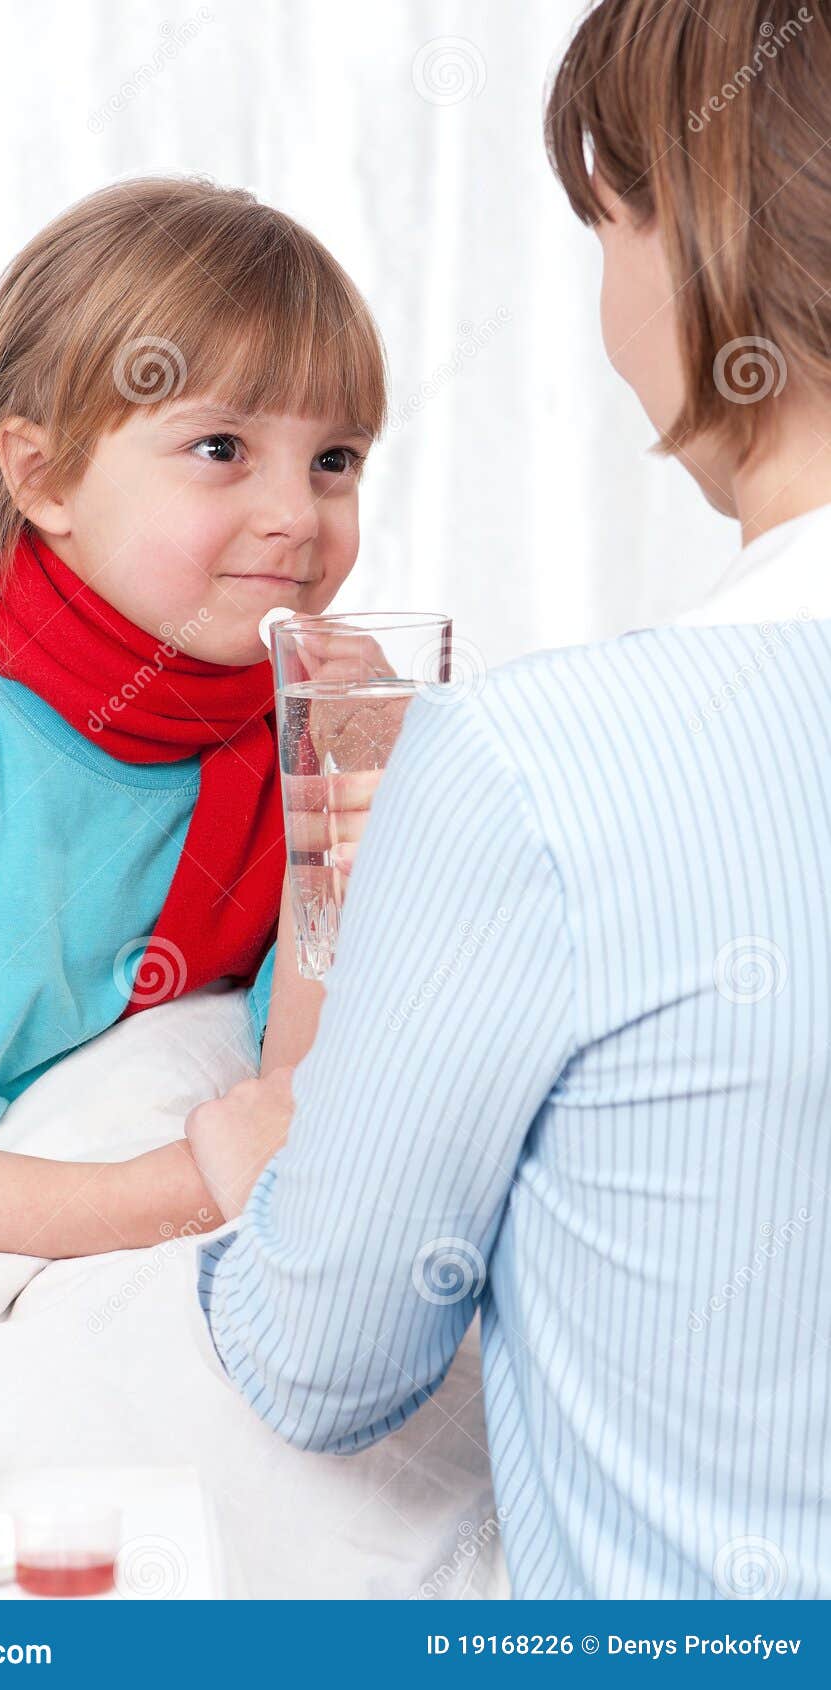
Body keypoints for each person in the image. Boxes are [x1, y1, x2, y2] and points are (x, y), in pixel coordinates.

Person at [184, 0, 831, 1598]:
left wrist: (268, 1147)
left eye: (608, 227)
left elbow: (320, 1356)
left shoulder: (533, 766)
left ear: (696, 247)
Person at [0, 177, 386, 1262]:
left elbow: (300, 1101)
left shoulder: (302, 748)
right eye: (220, 448)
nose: (296, 516)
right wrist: (171, 1194)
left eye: (332, 460)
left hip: (166, 1256)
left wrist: (346, 828)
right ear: (44, 477)